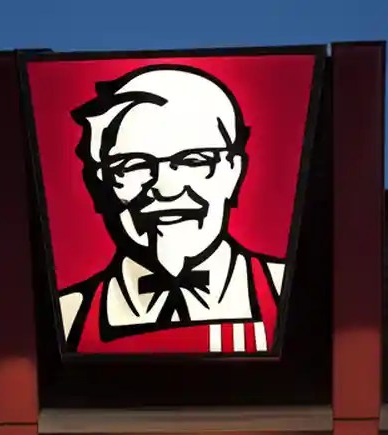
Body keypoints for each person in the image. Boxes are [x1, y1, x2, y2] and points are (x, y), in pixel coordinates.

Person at [57, 64, 286, 354]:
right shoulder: (66, 317)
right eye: (134, 165)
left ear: (234, 171)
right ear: (101, 184)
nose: (167, 189)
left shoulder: (290, 293)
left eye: (194, 161)